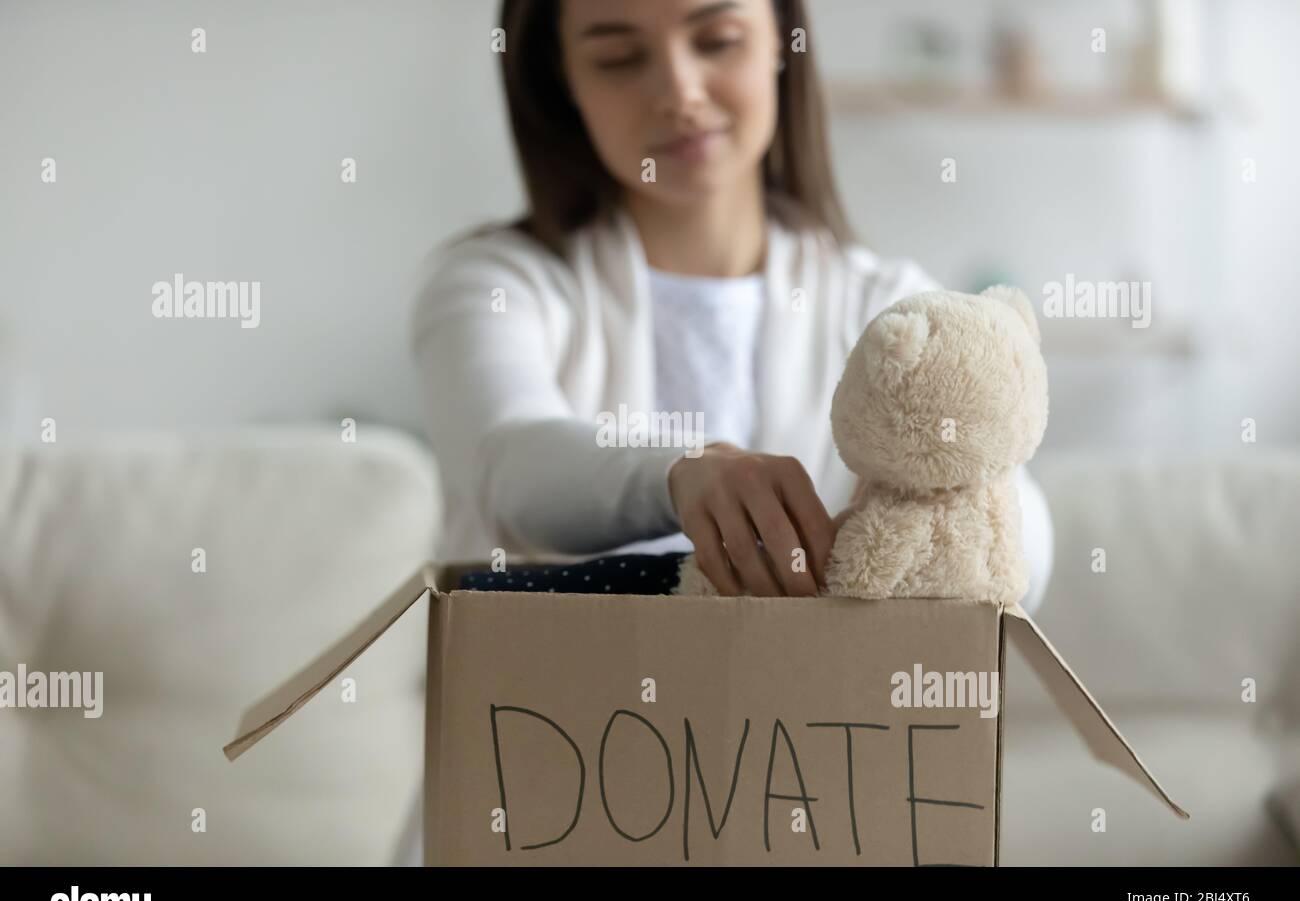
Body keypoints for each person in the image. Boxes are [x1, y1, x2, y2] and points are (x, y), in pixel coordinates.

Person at [408, 0, 1053, 609]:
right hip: (548, 716)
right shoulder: (494, 284)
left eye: (717, 40)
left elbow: (1024, 547)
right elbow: (509, 462)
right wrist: (680, 472)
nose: (681, 93)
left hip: (814, 722)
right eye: (619, 58)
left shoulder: (892, 308)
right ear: (563, 79)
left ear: (780, 37)